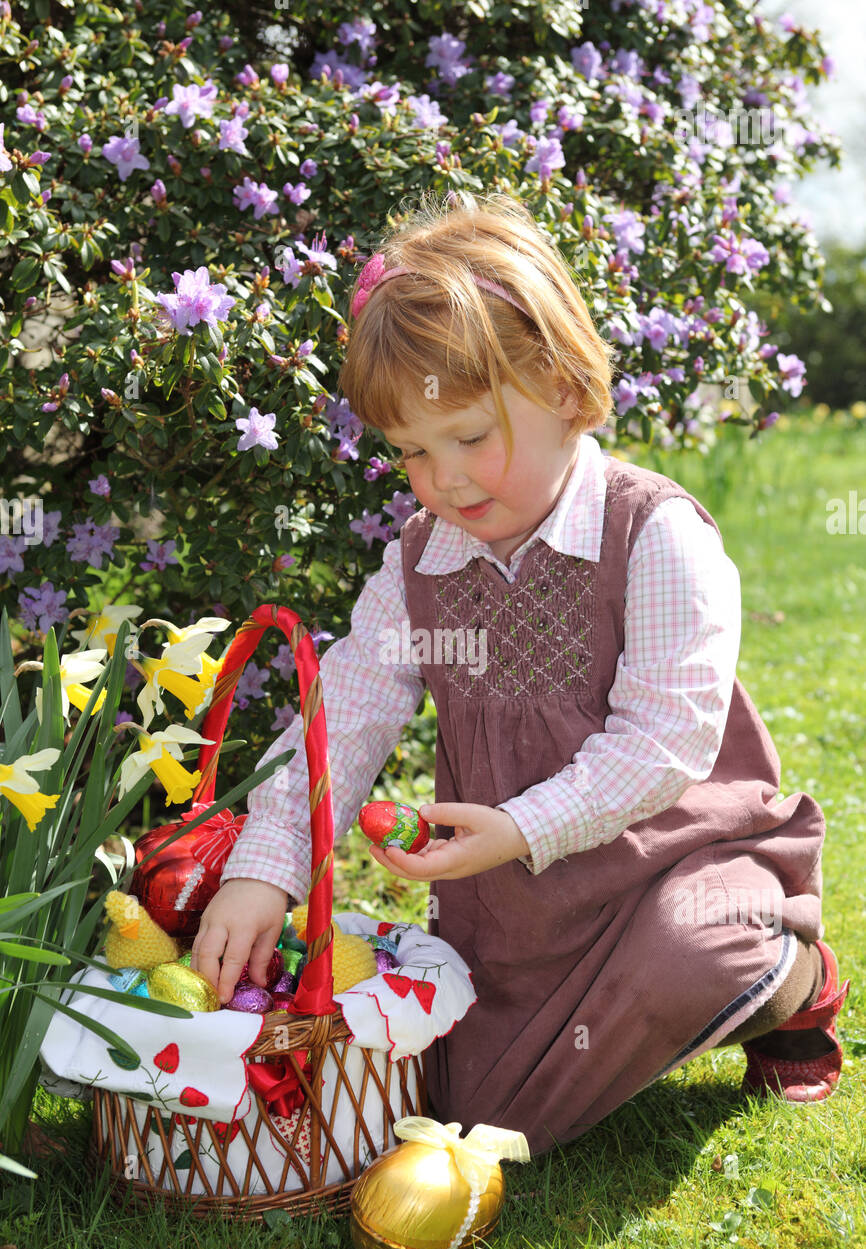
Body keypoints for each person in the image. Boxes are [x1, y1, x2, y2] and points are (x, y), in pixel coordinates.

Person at [192, 190, 849, 1155]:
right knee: (478, 1116)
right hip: (520, 911)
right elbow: (349, 715)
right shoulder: (423, 562)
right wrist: (266, 869)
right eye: (413, 451)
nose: (444, 479)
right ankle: (579, 1019)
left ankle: (795, 984)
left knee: (695, 957)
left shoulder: (650, 534)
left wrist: (520, 826)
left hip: (677, 866)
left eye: (469, 436)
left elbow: (664, 743)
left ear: (564, 390)